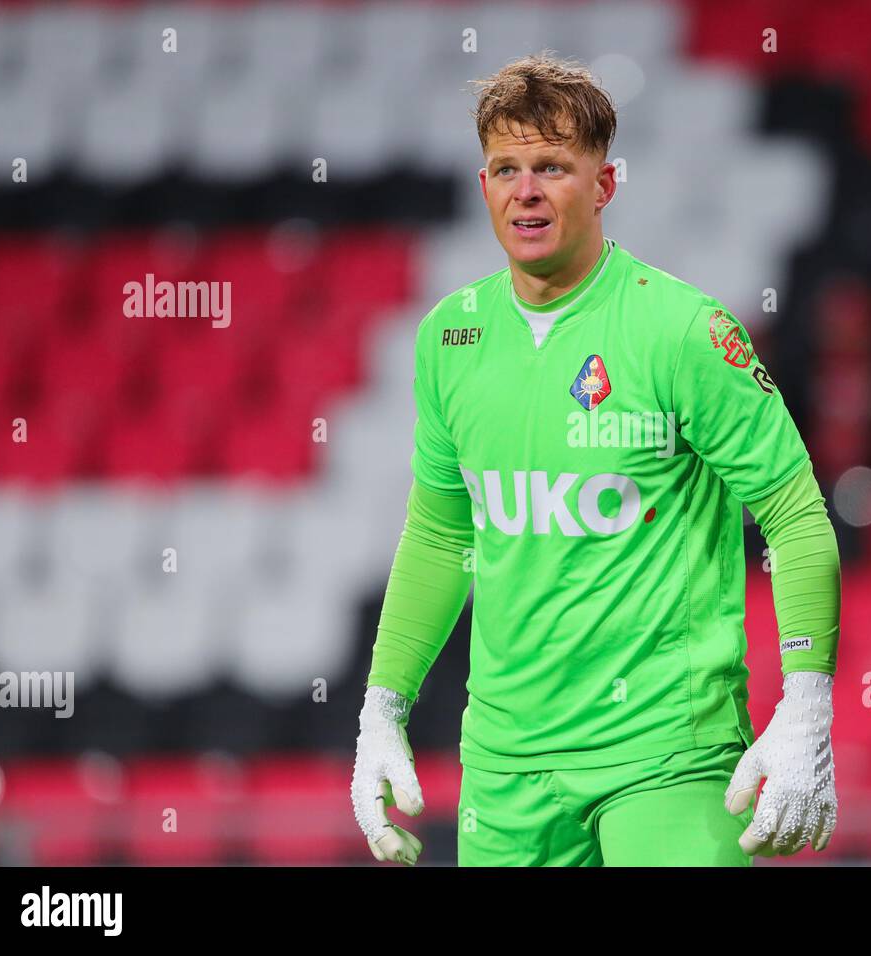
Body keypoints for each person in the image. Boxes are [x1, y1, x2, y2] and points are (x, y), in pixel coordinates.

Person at [350, 52, 841, 866]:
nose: (526, 190)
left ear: (605, 184)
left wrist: (807, 706)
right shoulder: (450, 338)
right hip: (507, 768)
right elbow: (441, 537)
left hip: (666, 757)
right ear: (484, 189)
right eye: (506, 169)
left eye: (551, 167)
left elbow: (793, 514)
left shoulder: (684, 331)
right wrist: (380, 711)